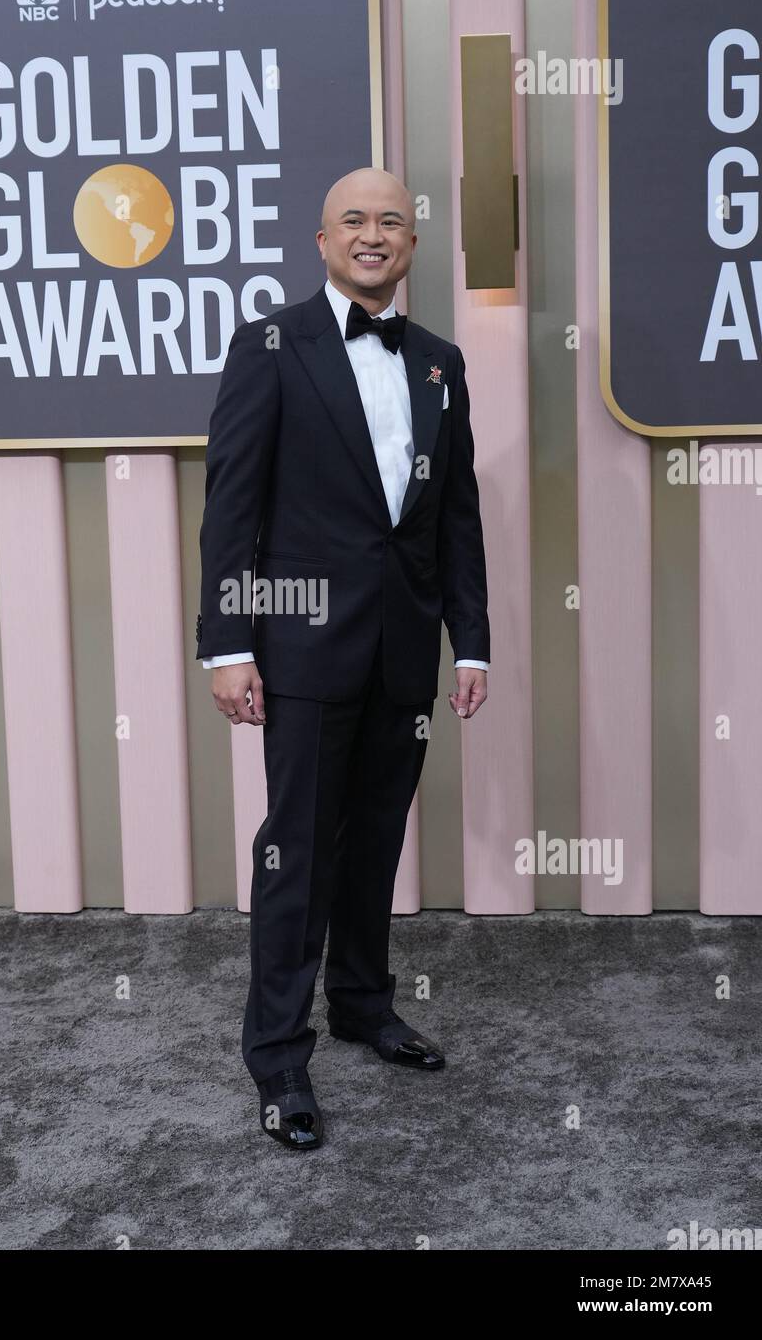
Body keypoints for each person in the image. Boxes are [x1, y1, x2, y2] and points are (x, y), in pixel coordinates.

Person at [196, 167, 490, 1149]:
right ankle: (279, 1056)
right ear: (321, 241)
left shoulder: (441, 362)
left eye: (392, 222)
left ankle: (364, 1002)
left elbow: (456, 516)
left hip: (403, 647)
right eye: (354, 221)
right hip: (302, 643)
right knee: (297, 852)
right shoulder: (271, 345)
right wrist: (228, 644)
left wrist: (471, 641)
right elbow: (231, 506)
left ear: (412, 244)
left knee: (372, 841)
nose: (374, 235)